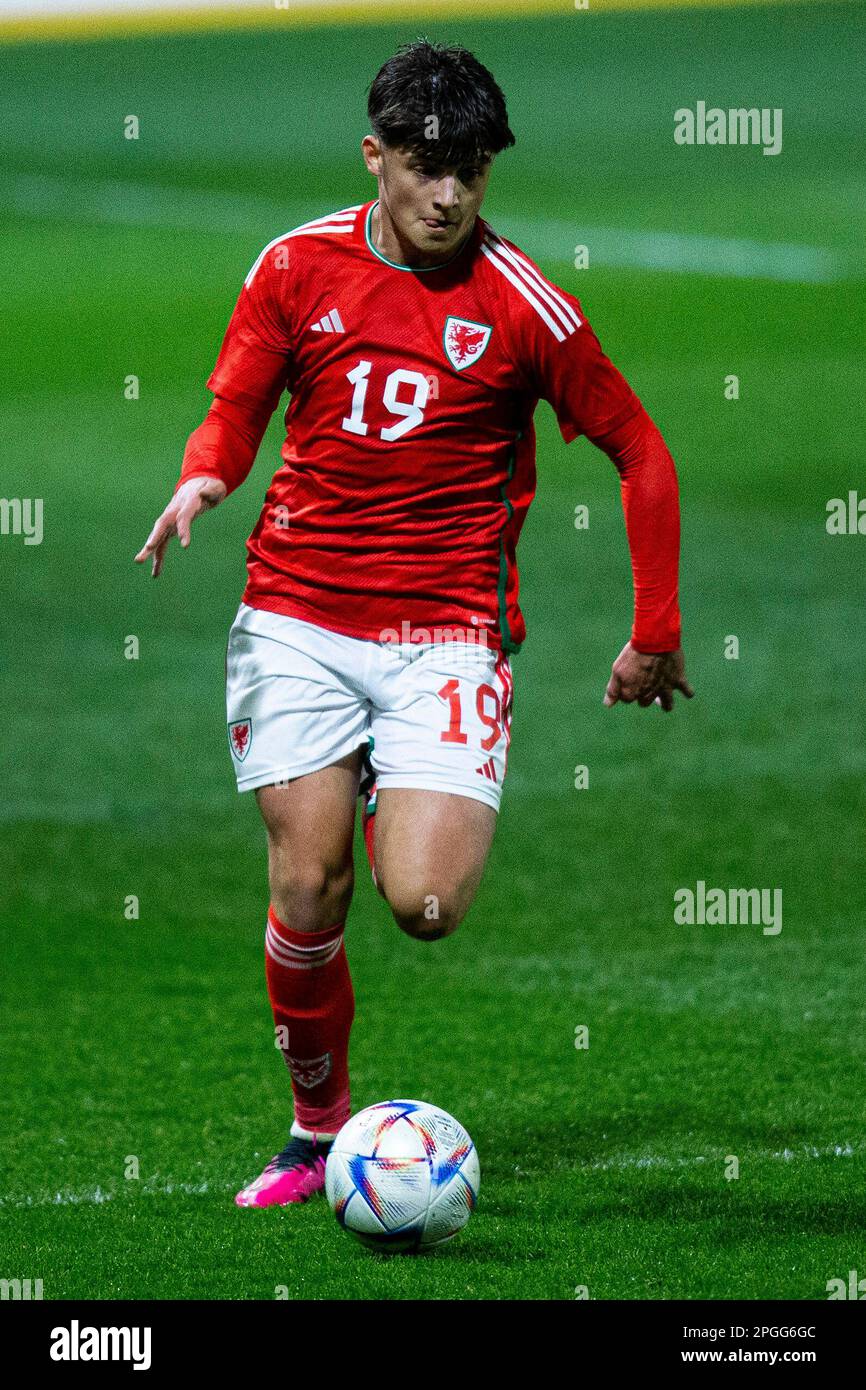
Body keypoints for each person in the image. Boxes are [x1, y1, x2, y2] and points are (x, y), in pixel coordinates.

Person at [135, 39, 693, 1210]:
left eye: (472, 173)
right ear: (375, 156)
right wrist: (202, 478)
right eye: (427, 168)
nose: (448, 196)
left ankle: (397, 781)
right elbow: (236, 405)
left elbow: (640, 450)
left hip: (445, 630)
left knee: (424, 908)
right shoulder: (295, 267)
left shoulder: (522, 305)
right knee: (307, 889)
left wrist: (653, 631)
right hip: (296, 614)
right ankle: (312, 1131)